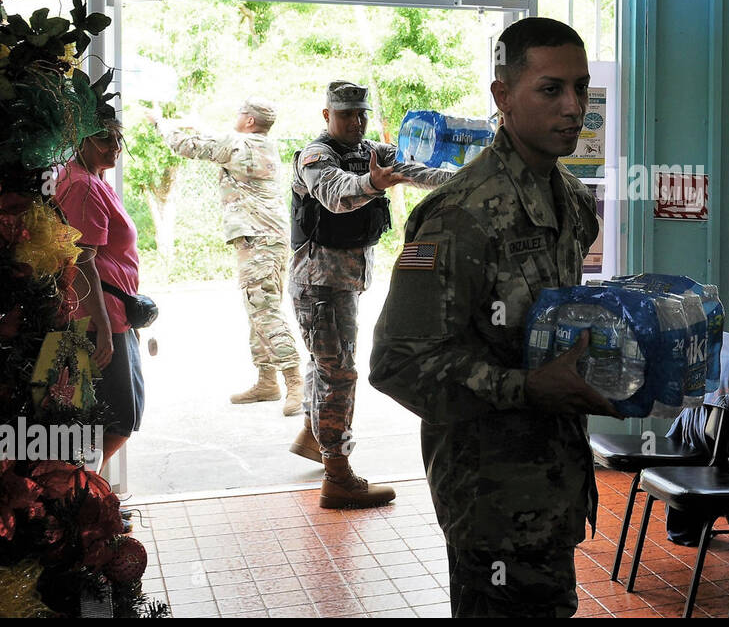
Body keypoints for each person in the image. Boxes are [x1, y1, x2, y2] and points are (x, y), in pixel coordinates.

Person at [370, 17, 614, 618]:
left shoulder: (574, 205)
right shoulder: (459, 218)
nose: (572, 107)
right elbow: (398, 362)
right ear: (502, 96)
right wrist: (525, 387)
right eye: (551, 89)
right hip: (492, 499)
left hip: (556, 482)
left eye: (580, 89)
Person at [289, 80, 451, 509]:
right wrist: (373, 185)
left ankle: (313, 435)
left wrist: (468, 178)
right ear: (327, 116)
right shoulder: (315, 155)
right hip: (319, 285)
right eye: (346, 115)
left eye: (361, 114)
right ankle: (337, 474)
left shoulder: (373, 152)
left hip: (343, 284)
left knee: (325, 366)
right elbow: (334, 194)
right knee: (338, 373)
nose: (356, 122)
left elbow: (419, 172)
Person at [145, 98, 303, 414]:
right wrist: (198, 122)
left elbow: (186, 145)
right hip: (272, 238)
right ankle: (267, 380)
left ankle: (295, 379)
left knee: (264, 310)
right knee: (259, 307)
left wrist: (160, 123)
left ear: (247, 120)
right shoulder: (265, 146)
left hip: (256, 239)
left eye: (238, 113)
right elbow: (220, 143)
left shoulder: (236, 144)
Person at [55, 117, 144, 464]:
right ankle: (85, 493)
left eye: (117, 140)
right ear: (81, 140)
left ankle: (89, 497)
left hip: (113, 313)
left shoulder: (91, 178)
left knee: (110, 416)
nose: (115, 148)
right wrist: (104, 328)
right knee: (117, 419)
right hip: (98, 318)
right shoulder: (84, 186)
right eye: (104, 141)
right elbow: (82, 262)